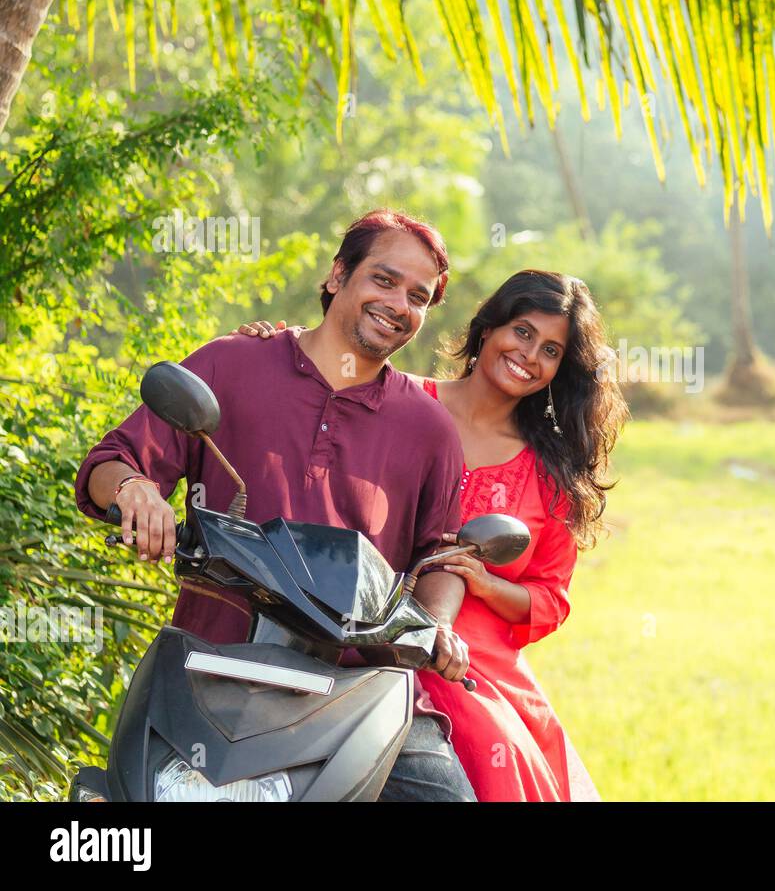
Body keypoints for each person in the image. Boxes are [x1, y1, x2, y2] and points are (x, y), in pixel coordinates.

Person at [75, 209, 478, 802]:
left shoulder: (429, 429)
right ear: (338, 274)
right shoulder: (231, 364)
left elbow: (439, 555)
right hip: (215, 663)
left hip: (357, 683)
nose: (399, 304)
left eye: (419, 297)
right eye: (384, 280)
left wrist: (437, 624)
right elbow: (112, 461)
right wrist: (135, 490)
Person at [235, 269, 629, 800]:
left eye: (552, 350)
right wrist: (270, 348)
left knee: (492, 759)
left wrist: (485, 584)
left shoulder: (548, 475)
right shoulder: (396, 399)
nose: (531, 355)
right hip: (348, 622)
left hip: (465, 659)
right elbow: (317, 383)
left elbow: (549, 601)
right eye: (524, 332)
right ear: (489, 326)